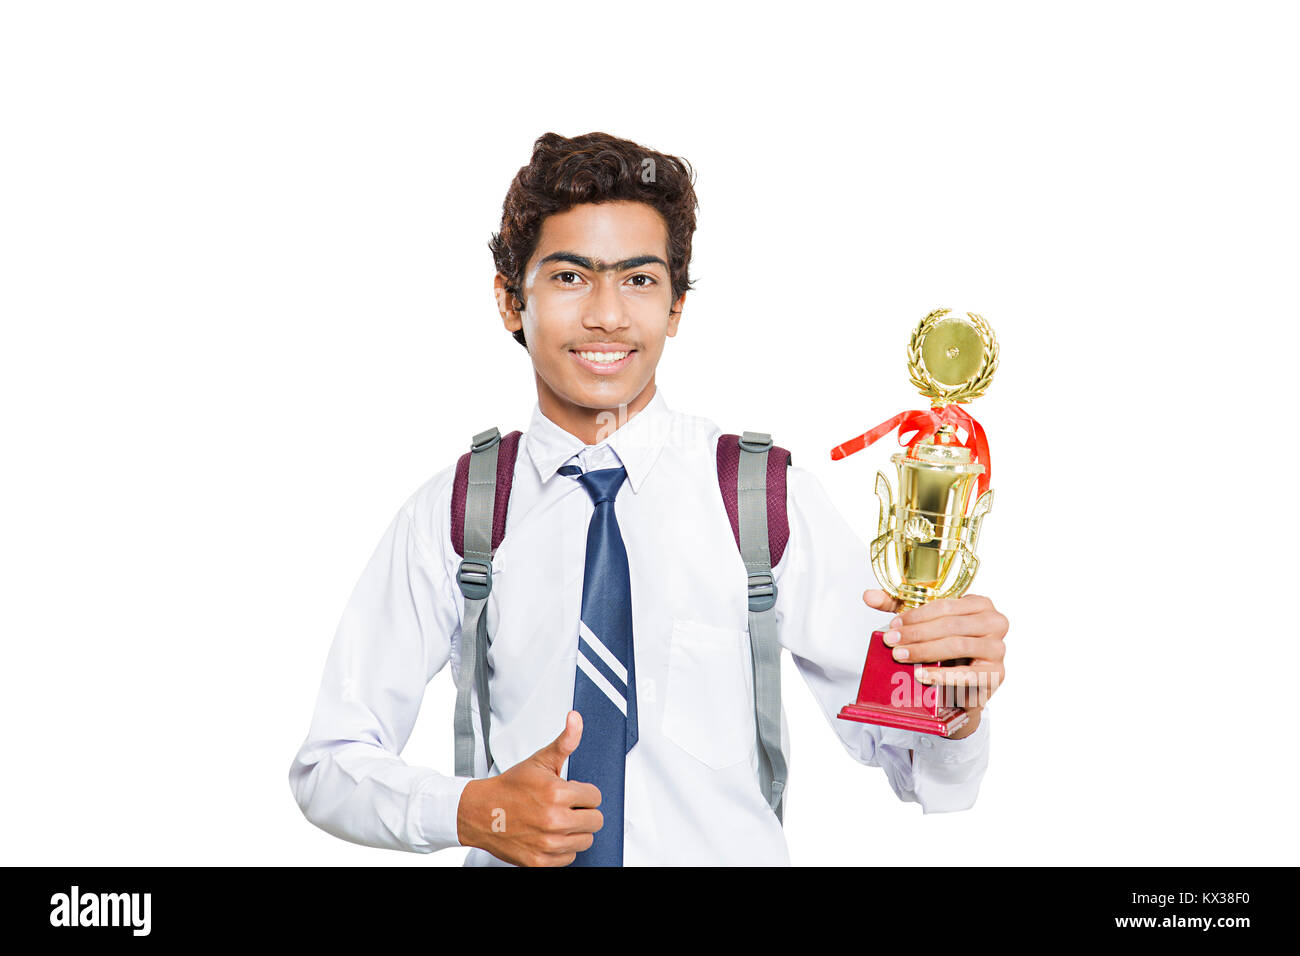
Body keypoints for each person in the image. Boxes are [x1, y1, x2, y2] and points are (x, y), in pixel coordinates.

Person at [287, 131, 1009, 866]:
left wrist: (955, 702)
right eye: (570, 278)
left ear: (676, 306)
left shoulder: (761, 499)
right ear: (511, 299)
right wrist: (471, 810)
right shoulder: (462, 511)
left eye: (639, 280)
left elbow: (924, 770)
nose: (607, 315)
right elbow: (328, 763)